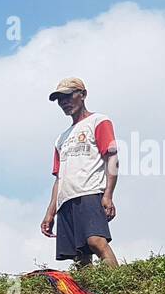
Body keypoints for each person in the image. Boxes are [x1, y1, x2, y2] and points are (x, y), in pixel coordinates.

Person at [41, 77, 119, 268]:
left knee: (96, 242)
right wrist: (50, 212)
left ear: (83, 95)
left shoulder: (98, 121)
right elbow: (58, 177)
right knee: (79, 256)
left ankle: (120, 283)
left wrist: (108, 195)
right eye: (60, 99)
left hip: (90, 192)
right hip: (66, 200)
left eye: (68, 96)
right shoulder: (61, 138)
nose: (64, 102)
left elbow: (112, 158)